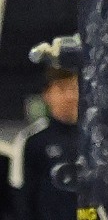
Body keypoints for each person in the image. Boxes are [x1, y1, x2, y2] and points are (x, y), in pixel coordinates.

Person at [10, 67, 79, 220]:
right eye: (62, 89)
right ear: (47, 95)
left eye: (74, 88)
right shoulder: (32, 140)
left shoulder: (96, 139)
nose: (70, 96)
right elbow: (21, 196)